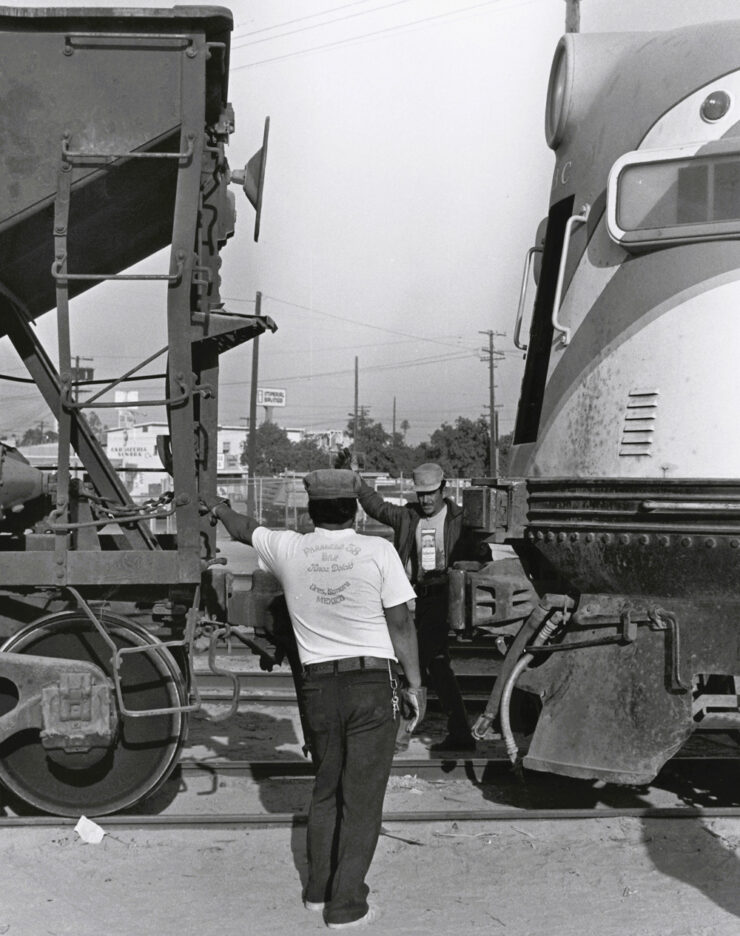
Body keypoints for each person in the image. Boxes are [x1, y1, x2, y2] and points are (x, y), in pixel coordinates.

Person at [202, 469, 425, 929]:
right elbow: (401, 624)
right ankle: (346, 906)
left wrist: (217, 506)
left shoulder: (289, 548)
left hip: (317, 688)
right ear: (355, 510)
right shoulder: (378, 551)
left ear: (310, 510)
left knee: (326, 789)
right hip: (371, 686)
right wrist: (416, 684)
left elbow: (243, 529)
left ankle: (317, 891)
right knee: (362, 800)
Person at [353, 460, 474, 751]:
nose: (426, 499)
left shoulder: (461, 519)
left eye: (431, 493)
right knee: (438, 666)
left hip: (446, 599)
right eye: (421, 494)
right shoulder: (409, 516)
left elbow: (479, 557)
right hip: (423, 598)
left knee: (413, 664)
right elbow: (376, 507)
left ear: (443, 489)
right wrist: (355, 480)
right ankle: (461, 733)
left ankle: (400, 736)